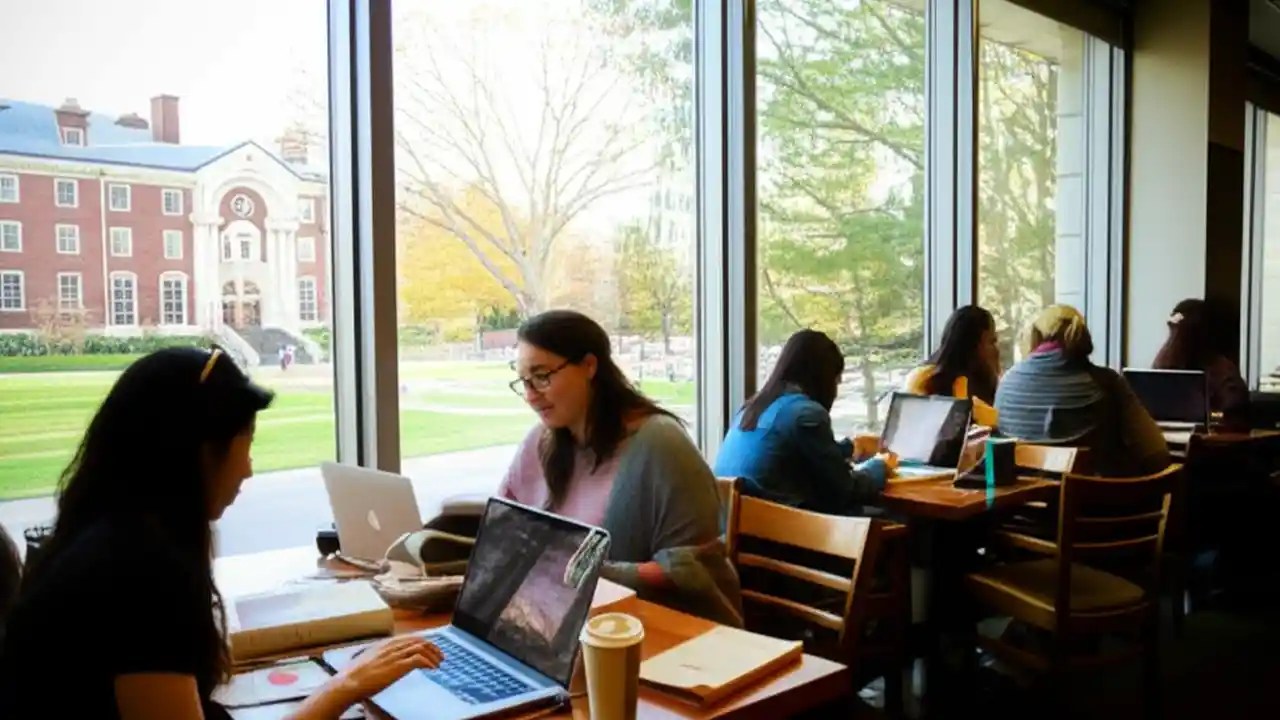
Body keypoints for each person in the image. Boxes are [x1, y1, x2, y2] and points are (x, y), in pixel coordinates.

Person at [0, 347, 443, 720]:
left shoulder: (99, 536)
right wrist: (346, 685)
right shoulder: (140, 571)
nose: (248, 469)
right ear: (197, 451)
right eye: (246, 444)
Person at [498, 310, 743, 627]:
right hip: (559, 631)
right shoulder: (541, 443)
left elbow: (693, 573)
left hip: (646, 637)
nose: (531, 396)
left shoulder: (660, 444)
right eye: (525, 381)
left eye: (542, 377)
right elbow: (505, 533)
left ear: (589, 366)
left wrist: (582, 570)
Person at [714, 329, 894, 516]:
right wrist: (880, 466)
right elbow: (846, 490)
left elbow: (791, 451)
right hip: (785, 533)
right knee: (900, 520)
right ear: (824, 377)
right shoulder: (806, 413)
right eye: (836, 380)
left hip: (740, 531)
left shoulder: (752, 408)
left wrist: (851, 447)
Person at [995, 305, 1170, 476]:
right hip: (1094, 501)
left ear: (1035, 336)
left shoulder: (1007, 382)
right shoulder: (1107, 383)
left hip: (1023, 501)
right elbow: (1156, 454)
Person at [1153, 298, 1249, 427]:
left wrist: (1206, 416)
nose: (1174, 342)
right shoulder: (1167, 365)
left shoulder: (1224, 373)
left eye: (1181, 334)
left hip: (1212, 441)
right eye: (1173, 332)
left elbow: (1228, 415)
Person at [902, 305, 1001, 426]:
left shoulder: (986, 381)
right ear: (972, 346)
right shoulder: (923, 380)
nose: (997, 350)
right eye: (992, 342)